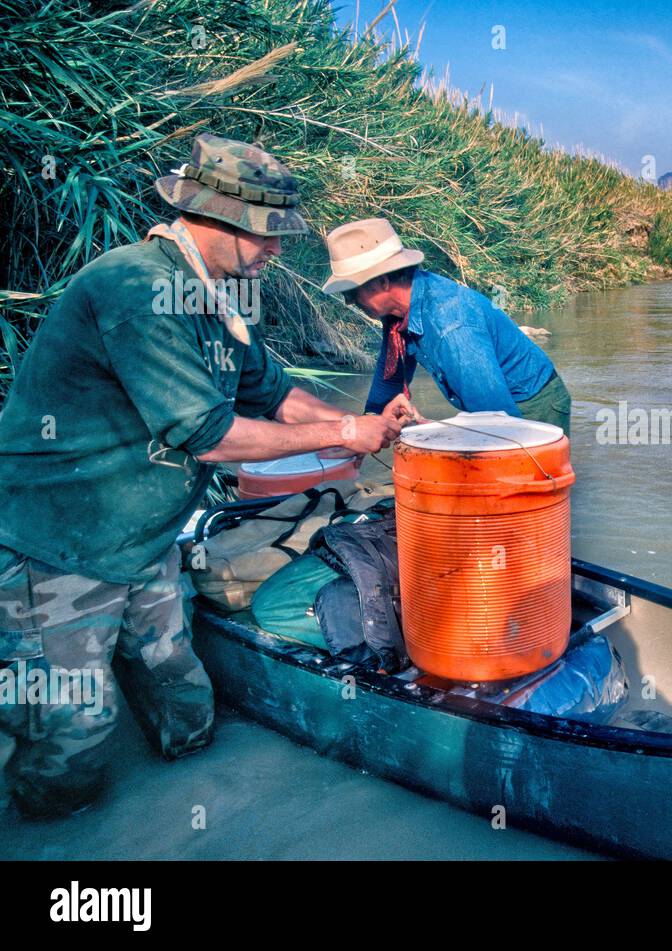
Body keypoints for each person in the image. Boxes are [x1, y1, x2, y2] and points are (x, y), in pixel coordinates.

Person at [0, 133, 410, 818]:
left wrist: (376, 427)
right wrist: (344, 433)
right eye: (269, 234)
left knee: (186, 706)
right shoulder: (137, 287)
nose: (279, 250)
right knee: (73, 741)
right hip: (60, 543)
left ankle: (186, 810)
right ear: (217, 216)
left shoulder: (218, 300)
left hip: (146, 538)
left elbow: (275, 395)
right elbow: (209, 435)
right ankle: (51, 832)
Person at [322, 218, 571, 435]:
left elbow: (499, 422)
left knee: (527, 481)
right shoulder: (398, 313)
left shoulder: (452, 327)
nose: (348, 301)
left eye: (352, 292)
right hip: (497, 405)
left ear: (383, 282)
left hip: (532, 404)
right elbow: (391, 374)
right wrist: (371, 420)